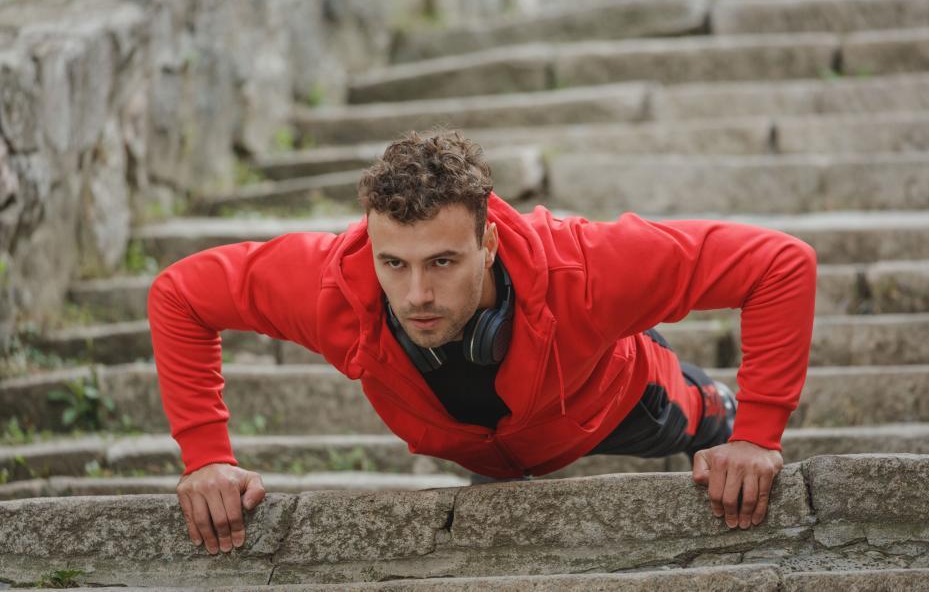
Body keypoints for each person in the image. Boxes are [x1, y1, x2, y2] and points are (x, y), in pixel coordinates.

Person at [148, 130, 816, 556]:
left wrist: (755, 435)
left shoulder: (585, 269)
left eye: (442, 262)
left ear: (489, 243)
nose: (415, 296)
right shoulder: (328, 284)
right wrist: (205, 456)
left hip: (609, 405)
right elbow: (179, 295)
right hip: (479, 443)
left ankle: (716, 407)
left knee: (698, 414)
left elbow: (780, 264)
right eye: (394, 265)